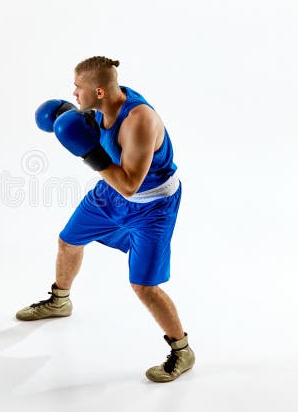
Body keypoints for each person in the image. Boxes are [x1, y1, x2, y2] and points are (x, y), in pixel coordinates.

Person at [16, 56, 194, 382]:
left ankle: (181, 351)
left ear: (99, 91)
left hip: (152, 206)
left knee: (144, 286)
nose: (73, 94)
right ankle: (59, 301)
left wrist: (87, 151)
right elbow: (113, 172)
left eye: (78, 89)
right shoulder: (105, 103)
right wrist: (69, 119)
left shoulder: (139, 122)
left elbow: (129, 186)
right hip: (108, 194)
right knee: (68, 241)